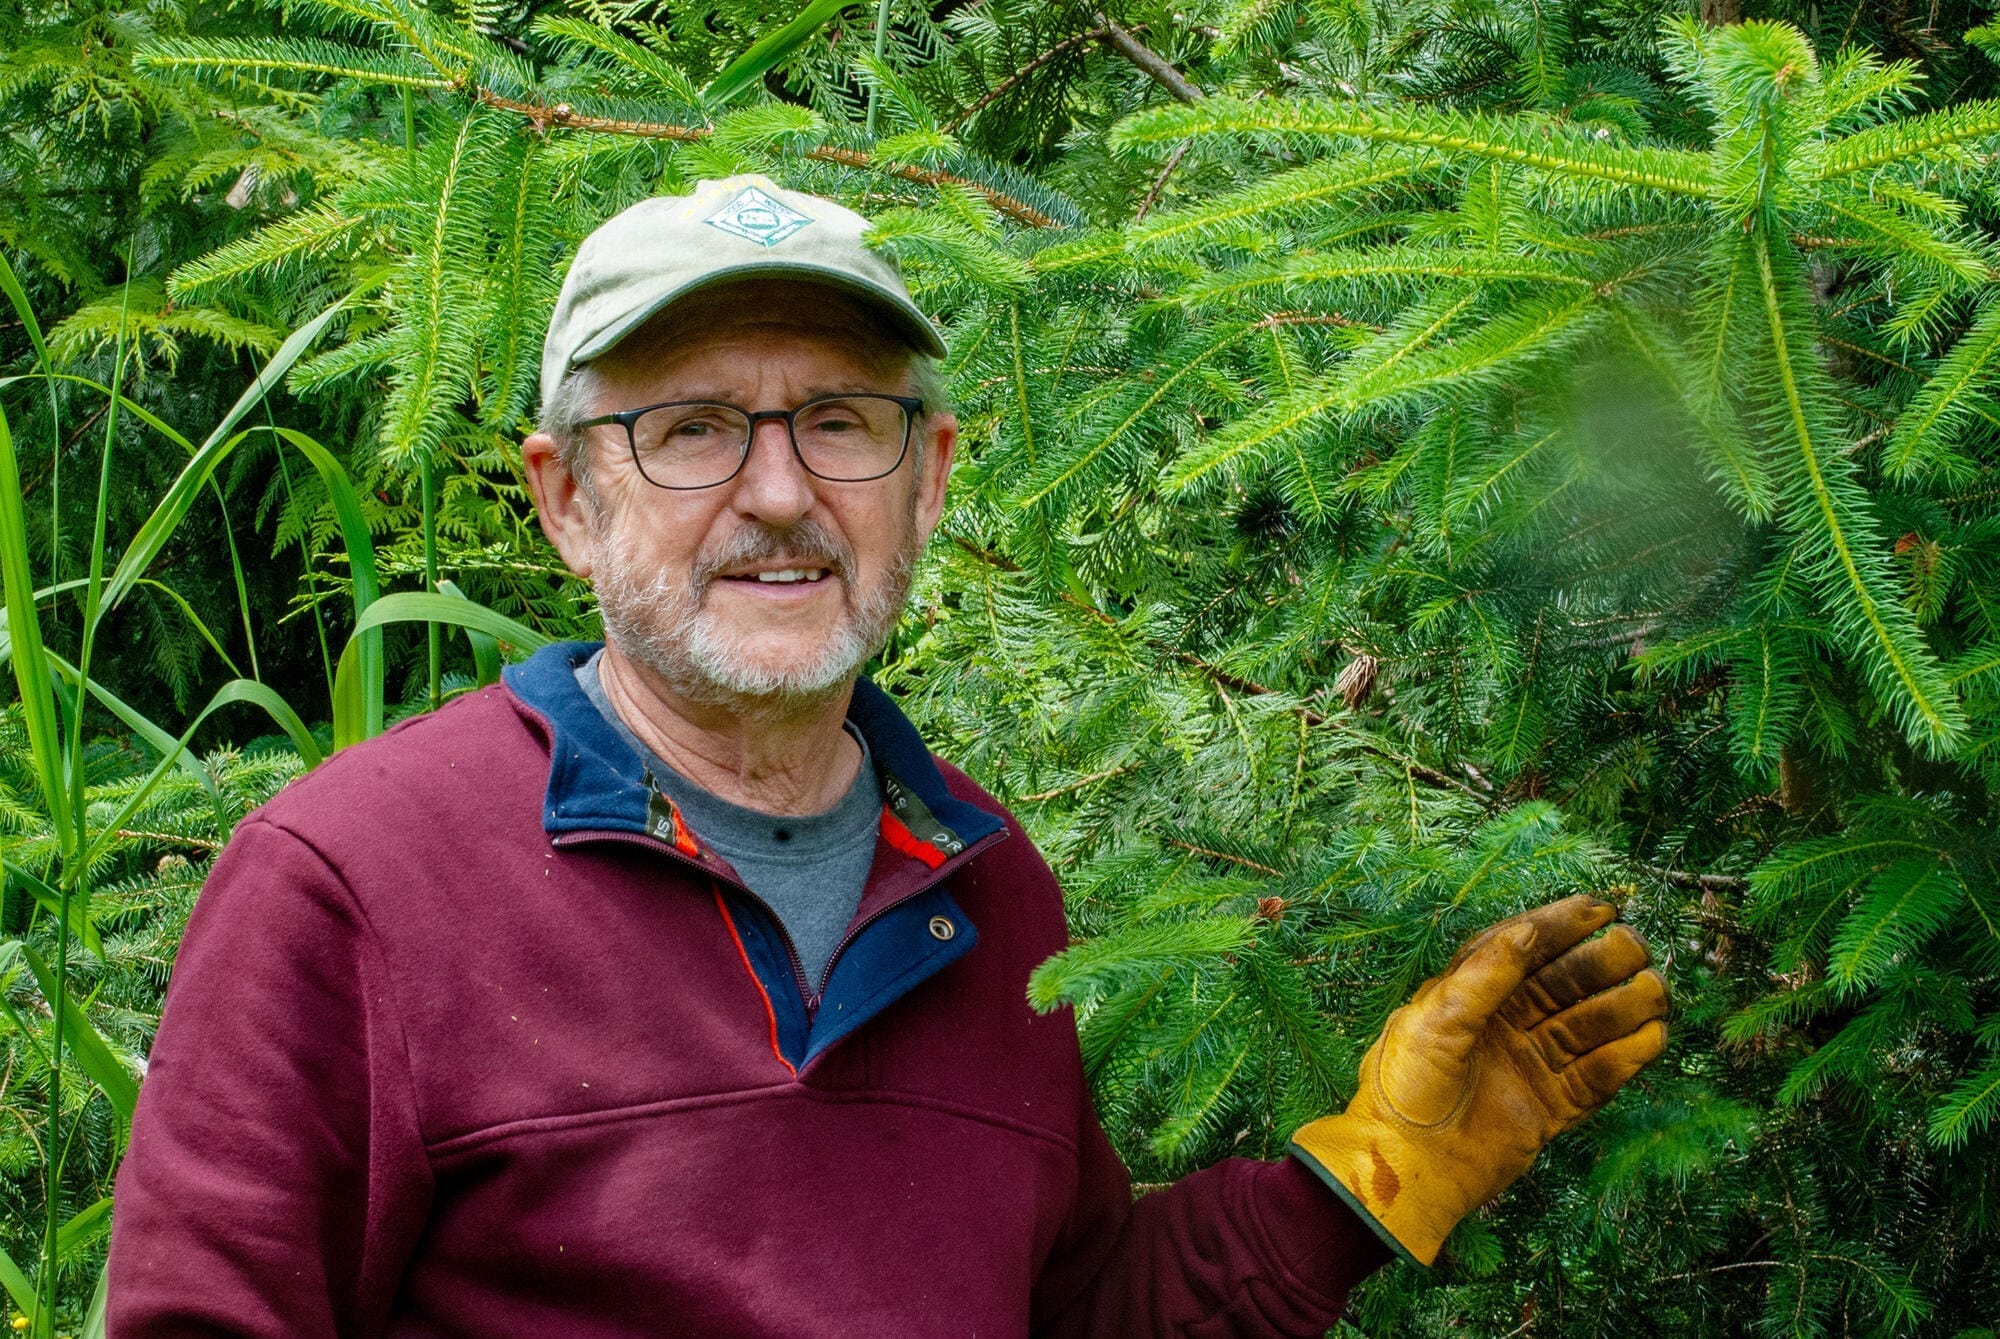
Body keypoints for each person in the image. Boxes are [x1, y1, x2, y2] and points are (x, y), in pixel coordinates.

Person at [107, 174, 1669, 1336]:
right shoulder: (355, 888)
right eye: (695, 427)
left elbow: (1063, 1321)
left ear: (926, 482)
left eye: (841, 421)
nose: (781, 494)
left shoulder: (987, 894)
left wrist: (1358, 1182)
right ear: (568, 499)